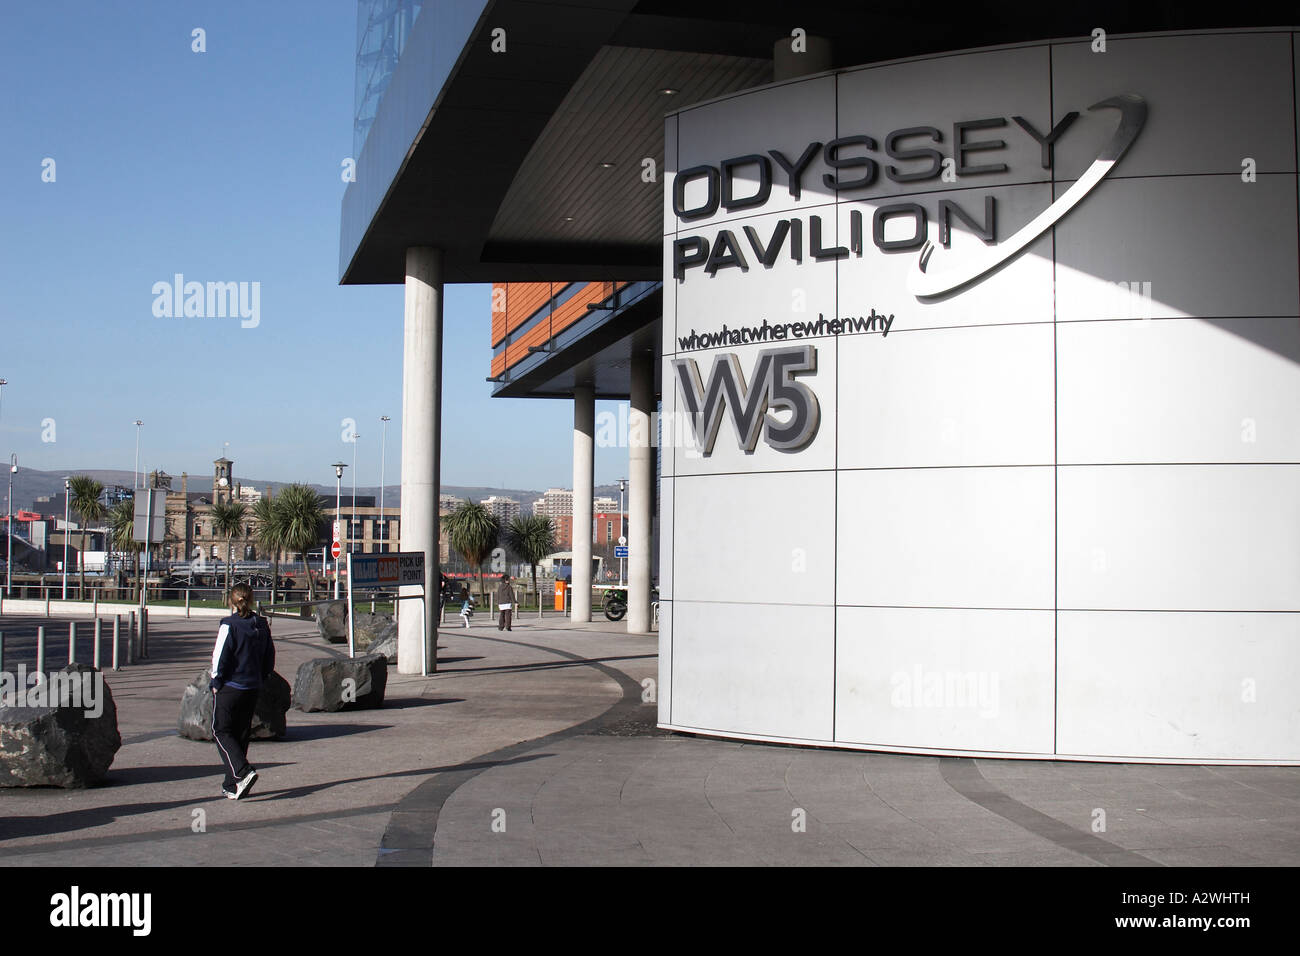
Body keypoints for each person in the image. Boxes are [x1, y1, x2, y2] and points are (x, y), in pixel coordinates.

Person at [210, 582, 274, 800]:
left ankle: (242, 771)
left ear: (231, 600)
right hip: (252, 686)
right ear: (252, 599)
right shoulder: (262, 624)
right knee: (241, 734)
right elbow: (269, 656)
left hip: (231, 686)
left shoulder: (229, 625)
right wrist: (262, 677)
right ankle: (232, 784)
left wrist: (216, 682)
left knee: (221, 731)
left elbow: (220, 656)